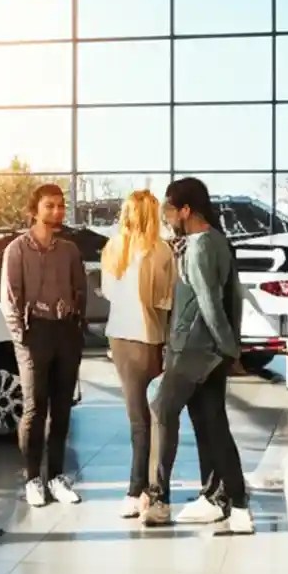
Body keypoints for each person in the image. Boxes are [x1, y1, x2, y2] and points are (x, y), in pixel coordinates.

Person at [140, 177, 254, 534]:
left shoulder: (202, 246)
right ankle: (228, 501)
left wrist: (228, 348)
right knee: (212, 426)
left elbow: (208, 304)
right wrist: (229, 347)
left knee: (161, 406)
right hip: (210, 352)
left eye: (169, 211)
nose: (167, 218)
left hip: (192, 351)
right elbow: (232, 299)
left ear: (186, 210)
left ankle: (158, 499)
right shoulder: (216, 242)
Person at [0, 184, 87, 507]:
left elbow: (81, 291)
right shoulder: (17, 250)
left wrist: (77, 328)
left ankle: (57, 476)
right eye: (50, 206)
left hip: (65, 332)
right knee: (35, 408)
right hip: (33, 333)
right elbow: (9, 299)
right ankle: (33, 478)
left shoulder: (69, 250)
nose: (57, 212)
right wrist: (22, 337)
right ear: (34, 210)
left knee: (62, 409)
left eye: (61, 206)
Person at [99, 190, 176, 519]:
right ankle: (152, 492)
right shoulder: (160, 251)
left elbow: (108, 292)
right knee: (157, 418)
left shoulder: (113, 248)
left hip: (119, 338)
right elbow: (165, 301)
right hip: (150, 339)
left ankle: (134, 491)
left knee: (136, 419)